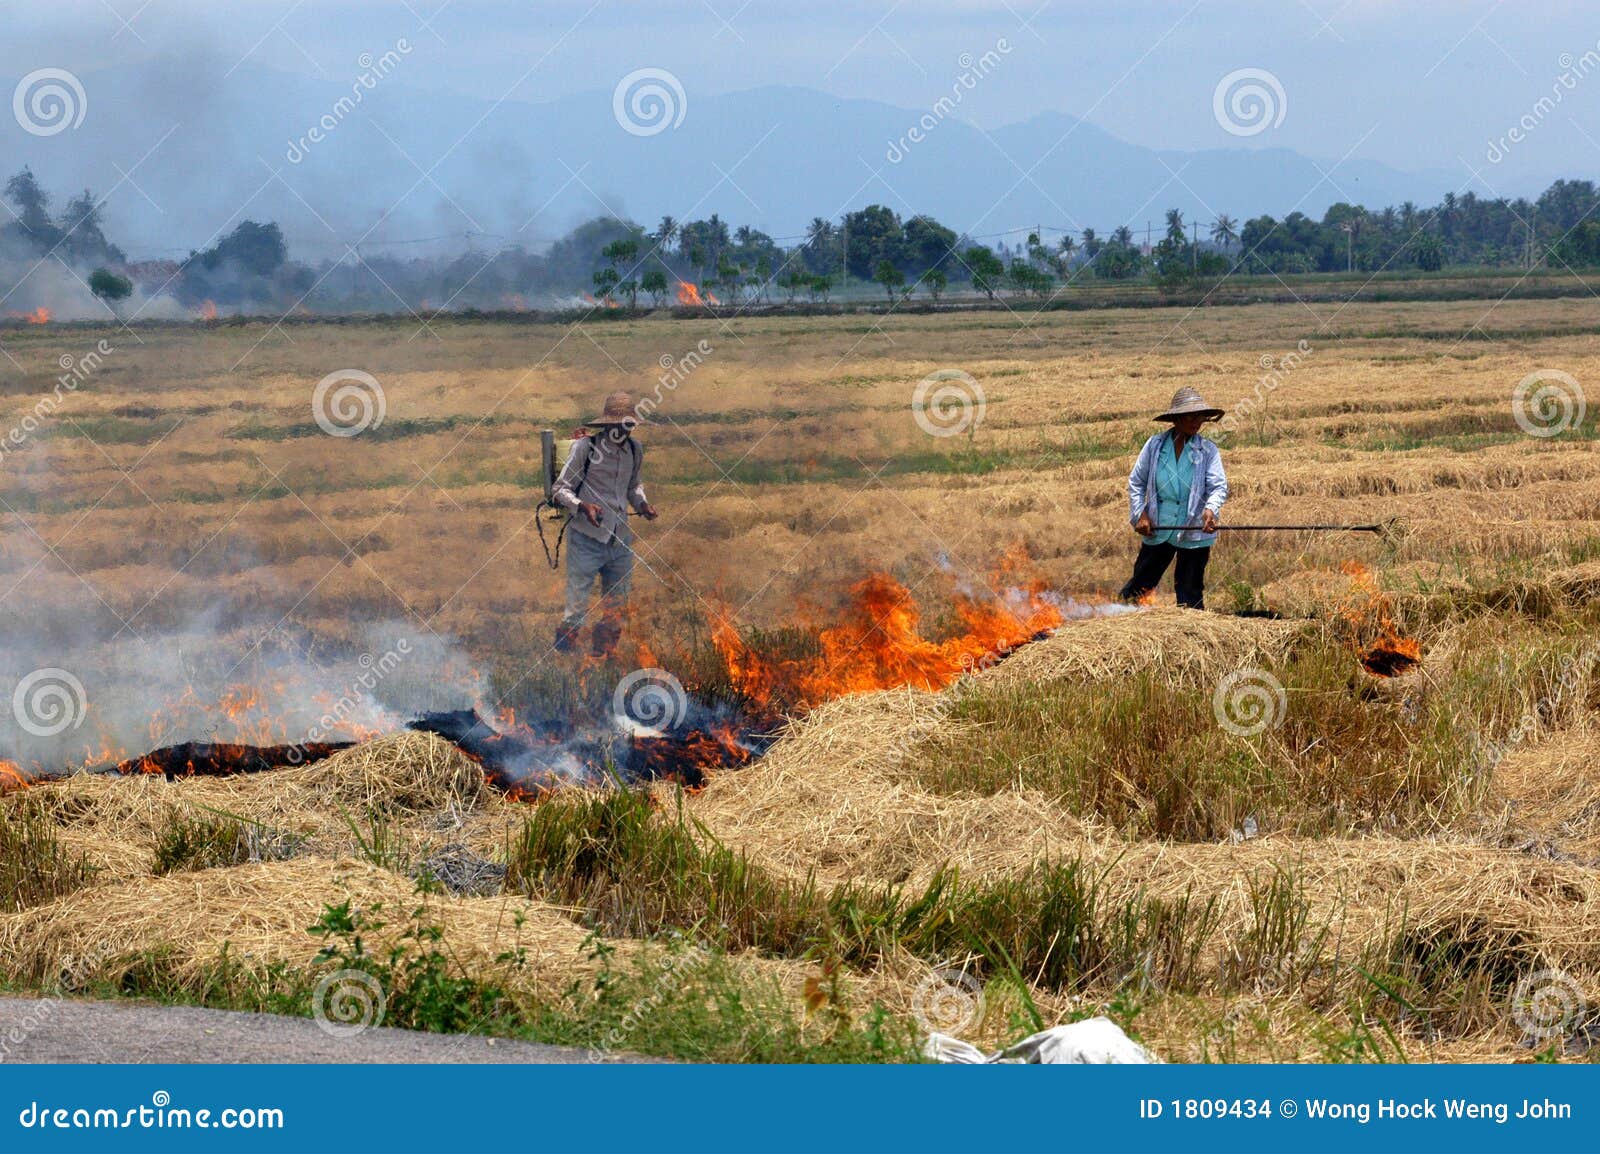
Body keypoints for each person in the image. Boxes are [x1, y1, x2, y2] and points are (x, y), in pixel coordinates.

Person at [551, 391, 659, 655]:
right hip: (586, 540)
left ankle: (602, 659)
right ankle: (561, 660)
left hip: (620, 539)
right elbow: (560, 489)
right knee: (576, 609)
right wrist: (582, 506)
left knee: (616, 607)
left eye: (628, 424)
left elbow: (633, 486)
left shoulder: (635, 450)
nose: (623, 429)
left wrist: (642, 504)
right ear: (607, 424)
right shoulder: (585, 448)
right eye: (618, 424)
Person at [1119, 386, 1229, 609]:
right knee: (1140, 586)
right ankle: (1119, 622)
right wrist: (1140, 515)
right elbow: (1136, 483)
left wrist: (1210, 510)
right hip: (1159, 526)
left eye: (1200, 416)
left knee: (1190, 592)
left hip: (1194, 529)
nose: (1196, 421)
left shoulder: (1208, 450)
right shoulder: (1155, 446)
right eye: (1190, 415)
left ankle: (1192, 636)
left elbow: (1218, 487)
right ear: (1176, 419)